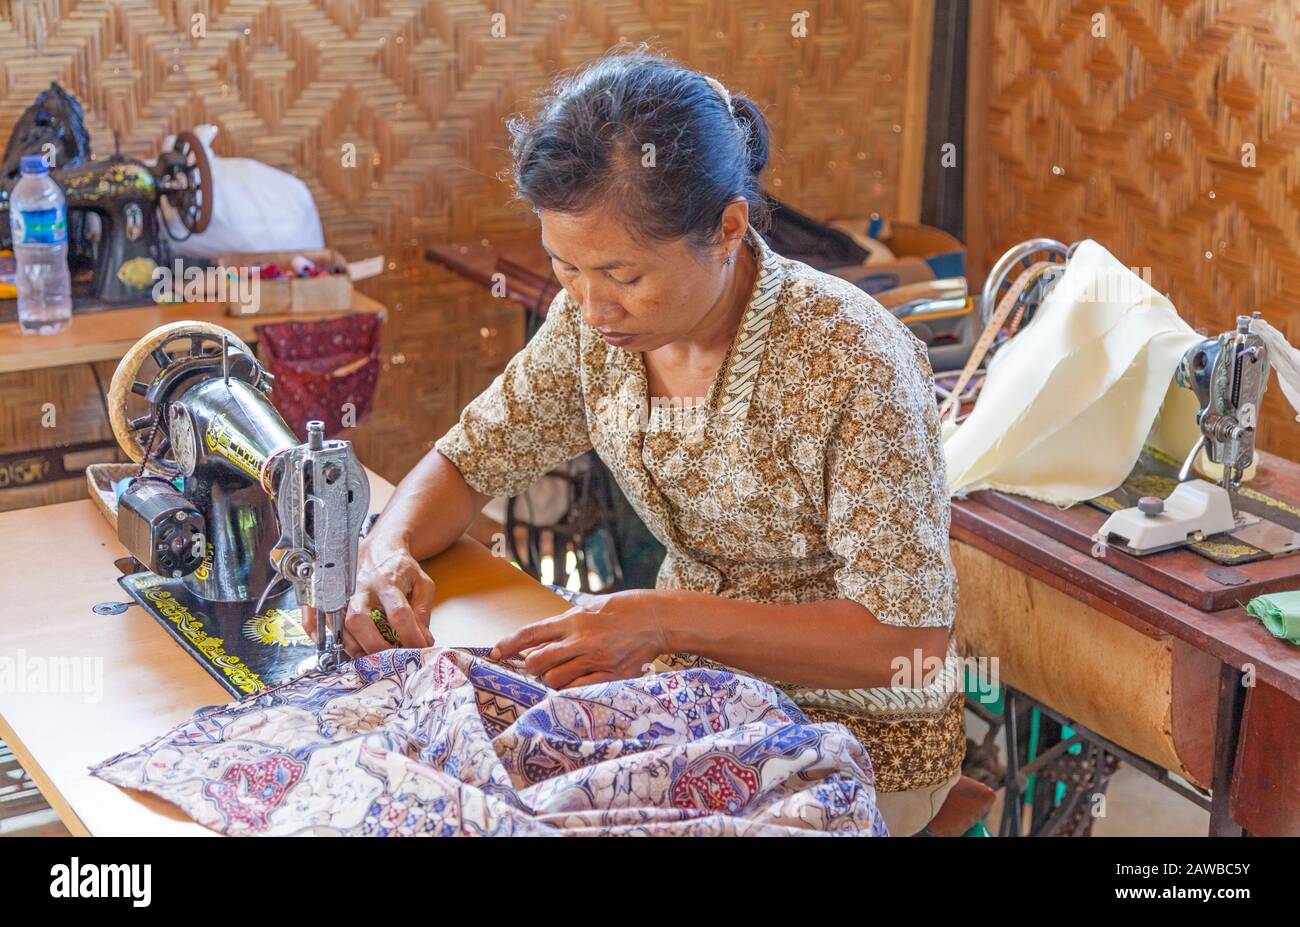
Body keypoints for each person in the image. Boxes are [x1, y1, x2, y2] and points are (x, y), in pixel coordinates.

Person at [305, 49, 963, 835]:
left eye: (622, 275)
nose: (589, 304)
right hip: (681, 689)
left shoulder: (851, 358)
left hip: (860, 738)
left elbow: (907, 641)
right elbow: (466, 459)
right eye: (565, 268)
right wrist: (386, 550)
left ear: (727, 227)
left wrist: (661, 619)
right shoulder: (590, 331)